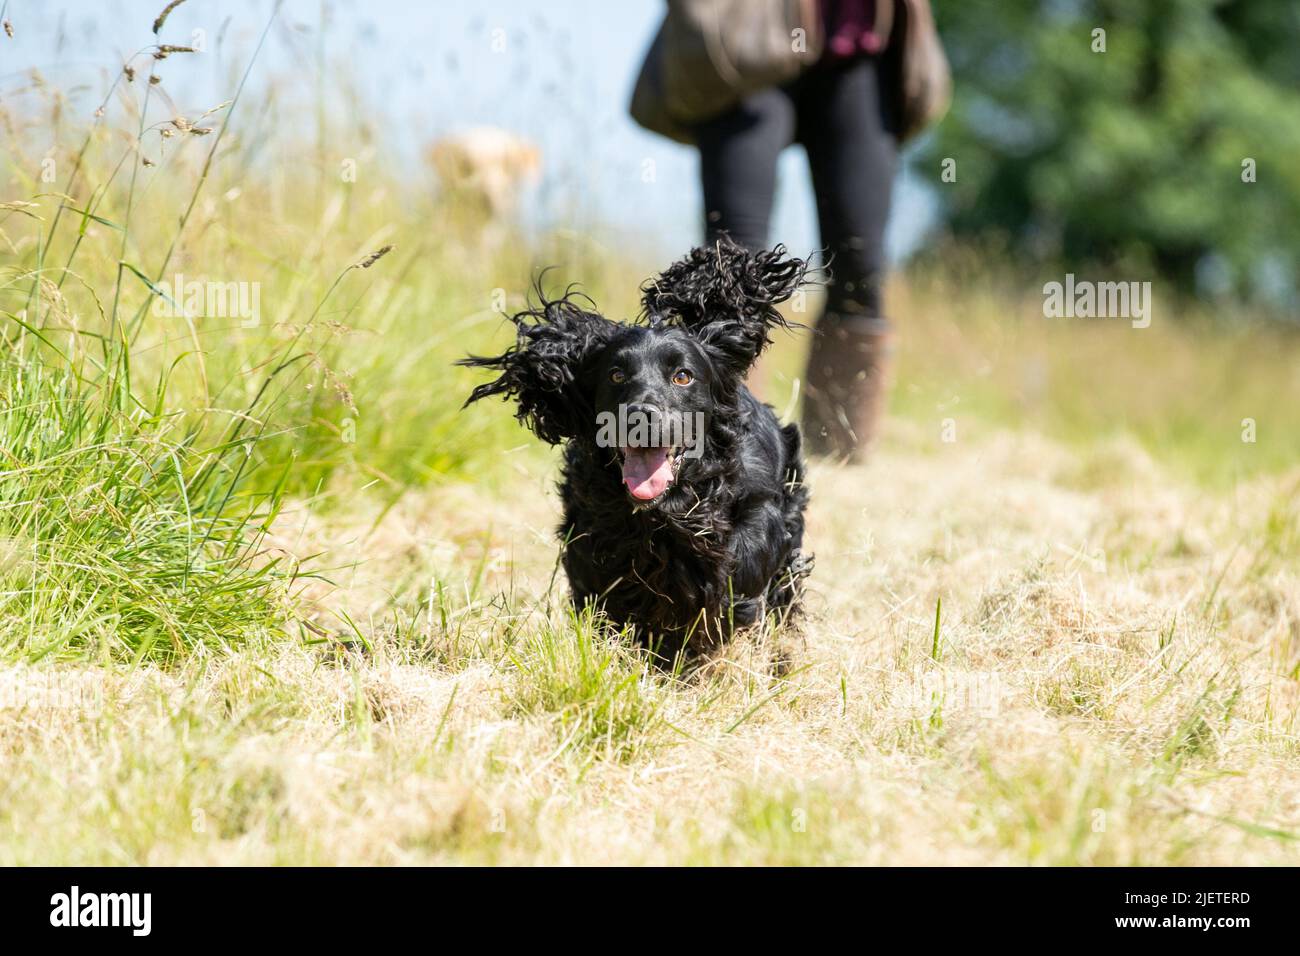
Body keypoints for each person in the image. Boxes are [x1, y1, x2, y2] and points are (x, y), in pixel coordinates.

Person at [695, 1, 900, 461]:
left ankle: (842, 456)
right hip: (744, 35)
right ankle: (725, 454)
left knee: (861, 268)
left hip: (859, 44)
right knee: (731, 267)